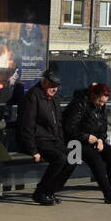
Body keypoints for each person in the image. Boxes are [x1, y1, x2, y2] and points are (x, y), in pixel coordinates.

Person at [63, 82, 111, 204]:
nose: (101, 104)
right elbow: (70, 127)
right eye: (100, 101)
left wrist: (101, 139)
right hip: (75, 142)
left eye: (104, 102)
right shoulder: (79, 104)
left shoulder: (99, 107)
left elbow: (102, 126)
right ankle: (108, 193)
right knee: (95, 159)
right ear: (93, 95)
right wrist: (86, 137)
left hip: (94, 141)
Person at [17, 69, 73, 205]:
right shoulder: (33, 96)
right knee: (60, 159)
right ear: (44, 82)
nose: (54, 89)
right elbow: (27, 125)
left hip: (52, 140)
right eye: (52, 85)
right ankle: (41, 192)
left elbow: (58, 123)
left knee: (73, 157)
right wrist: (33, 150)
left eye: (57, 86)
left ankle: (50, 191)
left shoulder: (54, 99)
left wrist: (61, 142)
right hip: (38, 140)